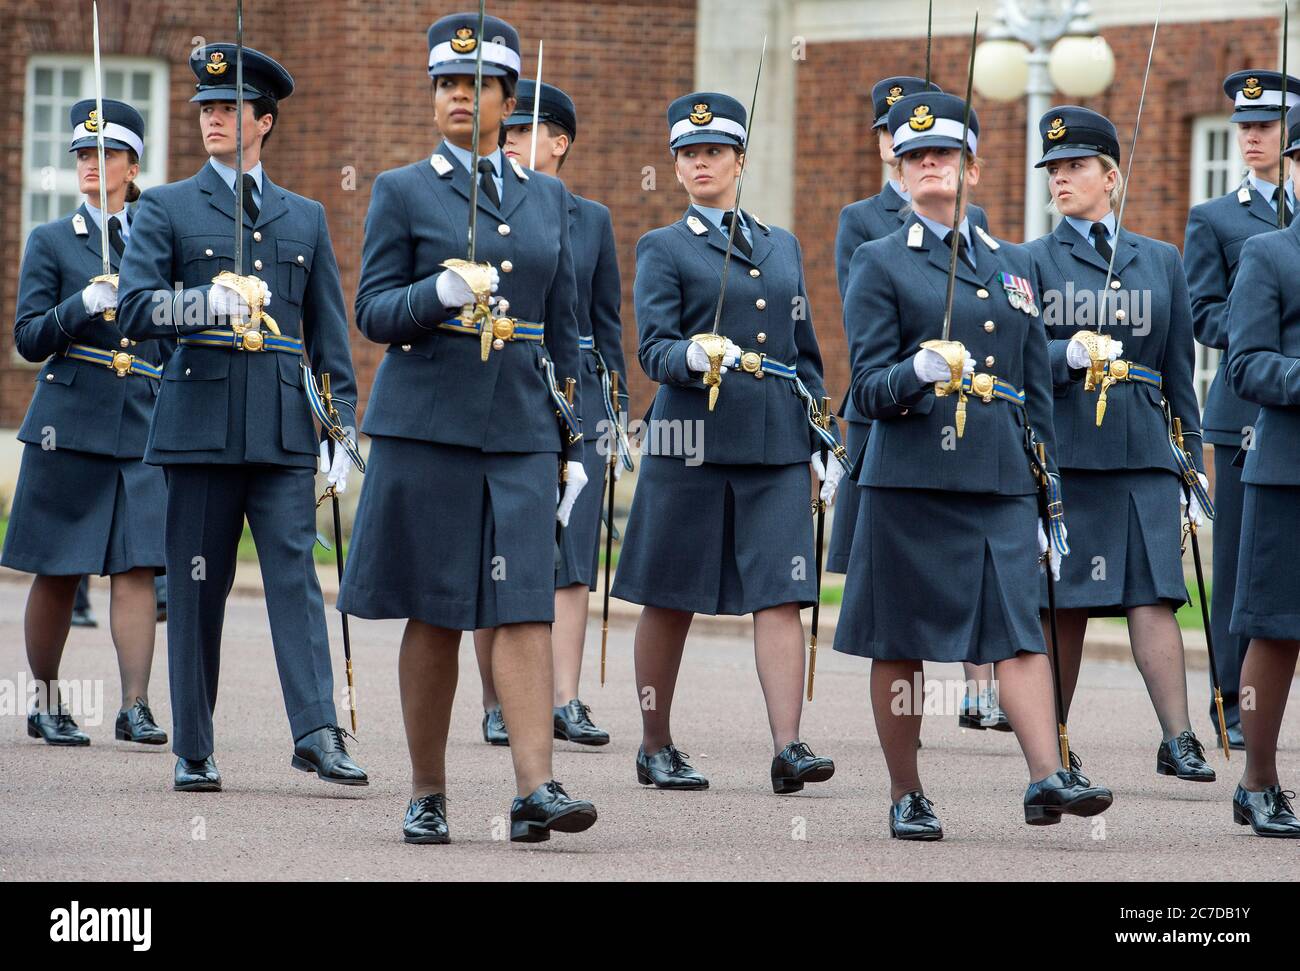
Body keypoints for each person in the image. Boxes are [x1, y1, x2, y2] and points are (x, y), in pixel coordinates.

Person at [336, 13, 599, 845]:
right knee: (437, 608)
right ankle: (427, 789)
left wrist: (573, 443)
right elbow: (372, 310)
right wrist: (438, 295)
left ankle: (536, 787)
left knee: (524, 604)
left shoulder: (549, 197)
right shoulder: (402, 189)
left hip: (521, 425)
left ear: (506, 98)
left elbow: (564, 332)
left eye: (475, 84)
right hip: (429, 424)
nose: (457, 96)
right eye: (446, 83)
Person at [835, 91, 1114, 839]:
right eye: (916, 156)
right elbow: (864, 387)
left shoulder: (1014, 263)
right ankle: (906, 790)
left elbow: (1035, 389)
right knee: (899, 638)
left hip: (997, 477)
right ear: (899, 170)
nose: (930, 165)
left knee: (1018, 630)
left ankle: (1044, 775)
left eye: (945, 155)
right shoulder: (879, 260)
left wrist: (1047, 489)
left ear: (972, 168)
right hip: (909, 477)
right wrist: (918, 371)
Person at [118, 43, 366, 793]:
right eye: (206, 108)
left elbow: (328, 332)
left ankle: (317, 730)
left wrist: (342, 428)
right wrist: (203, 305)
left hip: (285, 432)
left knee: (297, 579)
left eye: (228, 108)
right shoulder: (166, 206)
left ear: (263, 120)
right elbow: (135, 310)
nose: (213, 119)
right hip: (197, 430)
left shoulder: (307, 216)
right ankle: (193, 742)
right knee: (196, 585)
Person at [610, 90, 841, 795]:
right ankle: (655, 743)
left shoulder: (781, 244)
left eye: (713, 151)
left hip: (772, 438)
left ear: (740, 159)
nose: (700, 163)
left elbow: (804, 353)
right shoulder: (665, 247)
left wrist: (818, 437)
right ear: (676, 168)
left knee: (783, 591)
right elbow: (651, 349)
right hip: (692, 439)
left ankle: (787, 745)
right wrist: (690, 356)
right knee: (669, 592)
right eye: (688, 154)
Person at [1024, 106, 1216, 784]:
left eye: (1075, 166)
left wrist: (1192, 467)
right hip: (1069, 452)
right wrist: (1065, 352)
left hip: (1142, 453)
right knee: (1065, 602)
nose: (1061, 179)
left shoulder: (1160, 260)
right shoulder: (1032, 261)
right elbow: (1013, 359)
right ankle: (1055, 747)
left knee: (1155, 594)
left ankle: (1180, 737)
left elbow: (1177, 371)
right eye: (1054, 169)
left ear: (1112, 176)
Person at [830, 74, 1003, 733]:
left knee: (976, 554)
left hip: (966, 405)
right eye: (891, 132)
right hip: (898, 397)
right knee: (899, 568)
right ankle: (911, 720)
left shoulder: (973, 218)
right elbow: (865, 321)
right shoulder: (863, 224)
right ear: (885, 146)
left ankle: (980, 688)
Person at [4, 98, 167, 747]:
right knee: (59, 567)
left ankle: (135, 705)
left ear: (132, 164)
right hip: (67, 424)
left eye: (105, 155)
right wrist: (81, 303)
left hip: (139, 421)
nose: (92, 166)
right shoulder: (51, 240)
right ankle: (44, 700)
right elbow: (27, 338)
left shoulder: (154, 237)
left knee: (136, 565)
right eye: (82, 155)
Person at [474, 78, 628, 748]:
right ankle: (499, 701)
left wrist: (614, 403)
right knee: (500, 546)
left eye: (525, 131)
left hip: (576, 389)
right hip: (500, 383)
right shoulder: (476, 200)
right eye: (505, 131)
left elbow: (605, 318)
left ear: (560, 143)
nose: (510, 140)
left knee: (569, 548)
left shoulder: (588, 217)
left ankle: (563, 696)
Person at [1184, 70, 1300, 751]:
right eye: (1244, 126)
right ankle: (1233, 699)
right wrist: (1266, 305)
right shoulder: (1219, 218)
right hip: (1244, 409)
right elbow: (1205, 316)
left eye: (1266, 125)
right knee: (1239, 571)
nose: (1252, 136)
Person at [1219, 99, 1300, 839]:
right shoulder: (1270, 255)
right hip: (1288, 473)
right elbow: (1246, 364)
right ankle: (1258, 779)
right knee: (1277, 631)